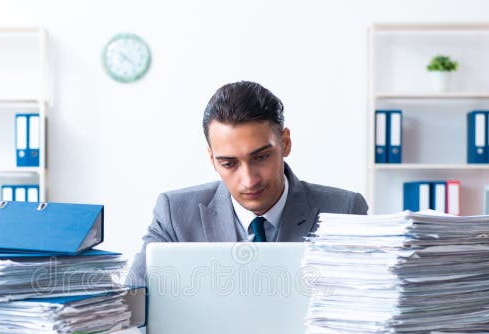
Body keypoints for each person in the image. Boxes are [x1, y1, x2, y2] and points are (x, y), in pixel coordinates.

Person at [127, 80, 368, 288]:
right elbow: (130, 314)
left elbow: (371, 310)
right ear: (212, 159)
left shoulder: (345, 211)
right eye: (229, 164)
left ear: (285, 143)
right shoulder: (174, 215)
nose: (249, 180)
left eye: (261, 157)